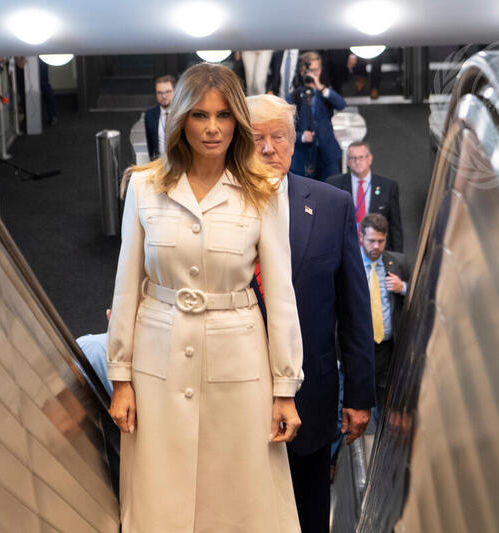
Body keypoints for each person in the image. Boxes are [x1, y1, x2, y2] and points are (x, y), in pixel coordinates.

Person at [107, 63, 303, 532]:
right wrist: (121, 377)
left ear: (237, 120)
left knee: (240, 500)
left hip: (239, 367)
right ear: (179, 120)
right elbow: (126, 284)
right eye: (198, 116)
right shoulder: (144, 186)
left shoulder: (266, 191)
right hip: (157, 367)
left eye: (222, 116)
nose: (212, 128)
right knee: (160, 499)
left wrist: (284, 389)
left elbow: (280, 295)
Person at [247, 94, 375, 533]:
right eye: (256, 138)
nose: (267, 148)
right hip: (237, 398)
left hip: (312, 401)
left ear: (293, 142)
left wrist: (359, 395)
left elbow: (354, 308)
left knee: (309, 518)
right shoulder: (218, 211)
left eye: (278, 136)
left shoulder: (331, 205)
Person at [359, 213, 409, 413]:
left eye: (381, 241)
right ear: (361, 237)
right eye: (371, 241)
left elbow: (422, 293)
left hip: (388, 350)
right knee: (352, 411)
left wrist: (403, 287)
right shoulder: (350, 263)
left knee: (388, 411)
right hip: (359, 349)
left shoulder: (399, 263)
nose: (376, 247)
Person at [327, 140, 404, 252]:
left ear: (369, 159)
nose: (357, 162)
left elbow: (395, 228)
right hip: (345, 250)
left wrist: (397, 260)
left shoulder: (388, 186)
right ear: (347, 161)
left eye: (361, 157)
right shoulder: (334, 184)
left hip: (377, 251)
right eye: (353, 158)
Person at [286, 51, 346, 181]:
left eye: (316, 70)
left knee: (332, 192)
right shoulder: (294, 97)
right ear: (302, 71)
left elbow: (341, 105)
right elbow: (284, 129)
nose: (313, 73)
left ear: (321, 69)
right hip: (302, 157)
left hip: (327, 154)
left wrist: (320, 87)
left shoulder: (324, 92)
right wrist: (301, 136)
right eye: (310, 70)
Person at [144, 74, 175, 159]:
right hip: (159, 164)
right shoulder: (150, 115)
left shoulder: (183, 113)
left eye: (168, 92)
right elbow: (150, 144)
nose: (164, 96)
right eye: (160, 93)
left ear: (175, 91)